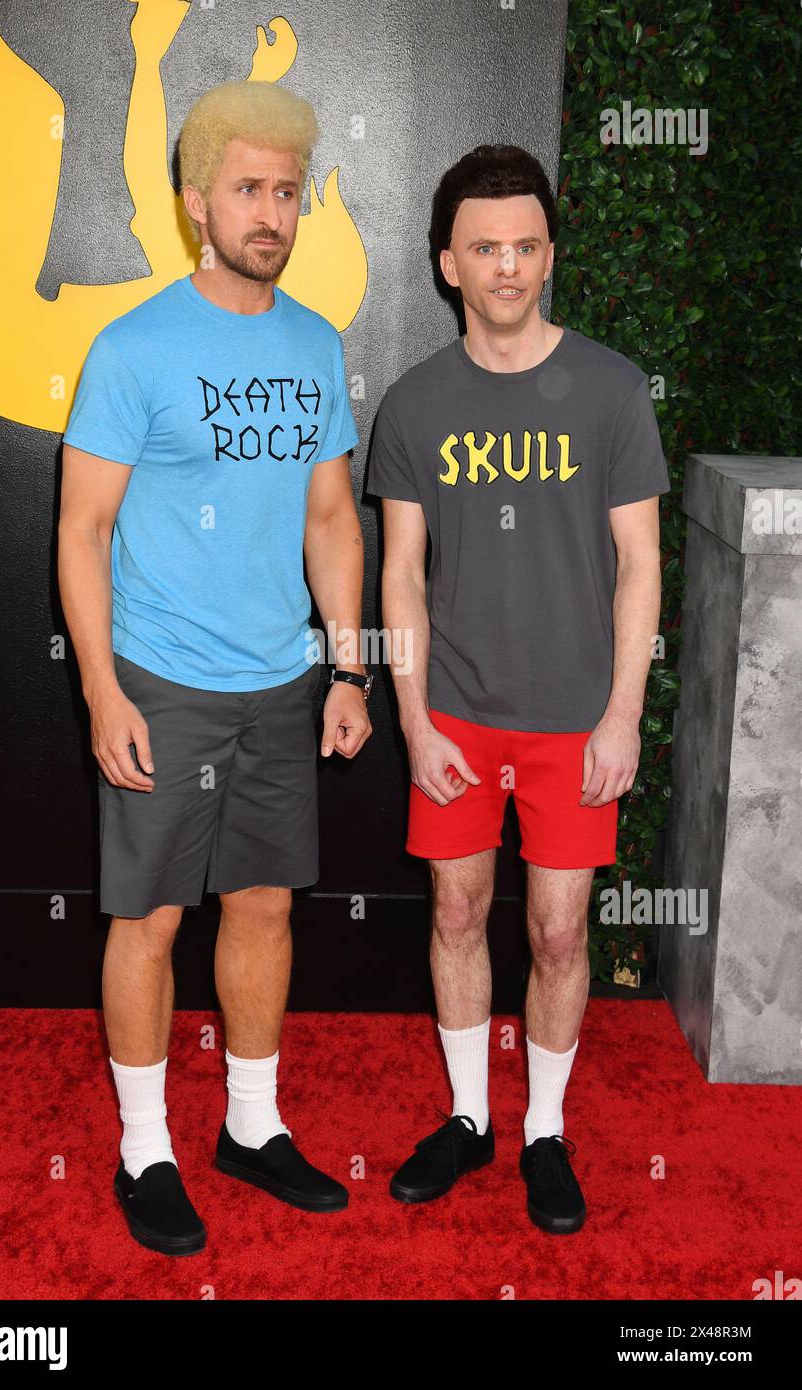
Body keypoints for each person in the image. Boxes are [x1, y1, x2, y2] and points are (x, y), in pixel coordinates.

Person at [58, 80, 372, 1256]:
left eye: (287, 192)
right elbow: (81, 528)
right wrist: (101, 688)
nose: (272, 213)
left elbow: (333, 520)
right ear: (198, 204)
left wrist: (349, 673)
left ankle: (250, 1124)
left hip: (282, 685)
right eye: (248, 189)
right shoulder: (132, 347)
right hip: (163, 683)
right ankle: (145, 1145)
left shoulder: (313, 343)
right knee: (145, 918)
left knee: (263, 904)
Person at [365, 144, 669, 1234]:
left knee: (553, 933)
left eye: (526, 247)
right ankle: (467, 1118)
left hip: (574, 720)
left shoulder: (609, 388)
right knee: (454, 912)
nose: (507, 268)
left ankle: (542, 1127)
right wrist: (409, 717)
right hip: (451, 708)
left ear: (548, 254)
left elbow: (640, 562)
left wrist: (623, 714)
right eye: (485, 248)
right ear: (447, 261)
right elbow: (398, 571)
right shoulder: (411, 403)